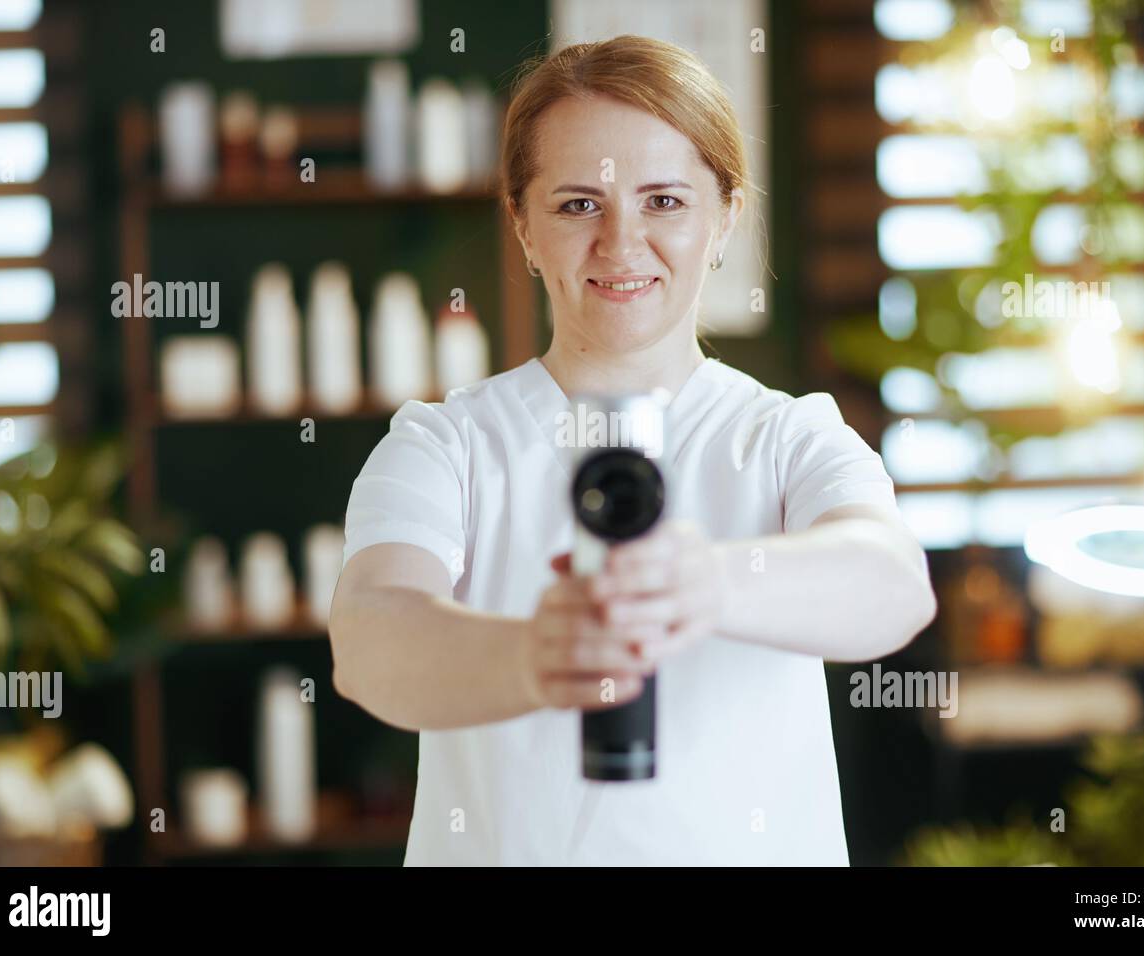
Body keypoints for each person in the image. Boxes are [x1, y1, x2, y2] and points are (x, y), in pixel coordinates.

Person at [330, 35, 936, 865]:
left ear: (725, 216)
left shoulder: (790, 437)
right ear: (522, 224)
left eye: (664, 202)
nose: (620, 244)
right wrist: (535, 657)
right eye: (579, 204)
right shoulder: (445, 445)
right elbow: (370, 637)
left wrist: (710, 582)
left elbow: (893, 586)